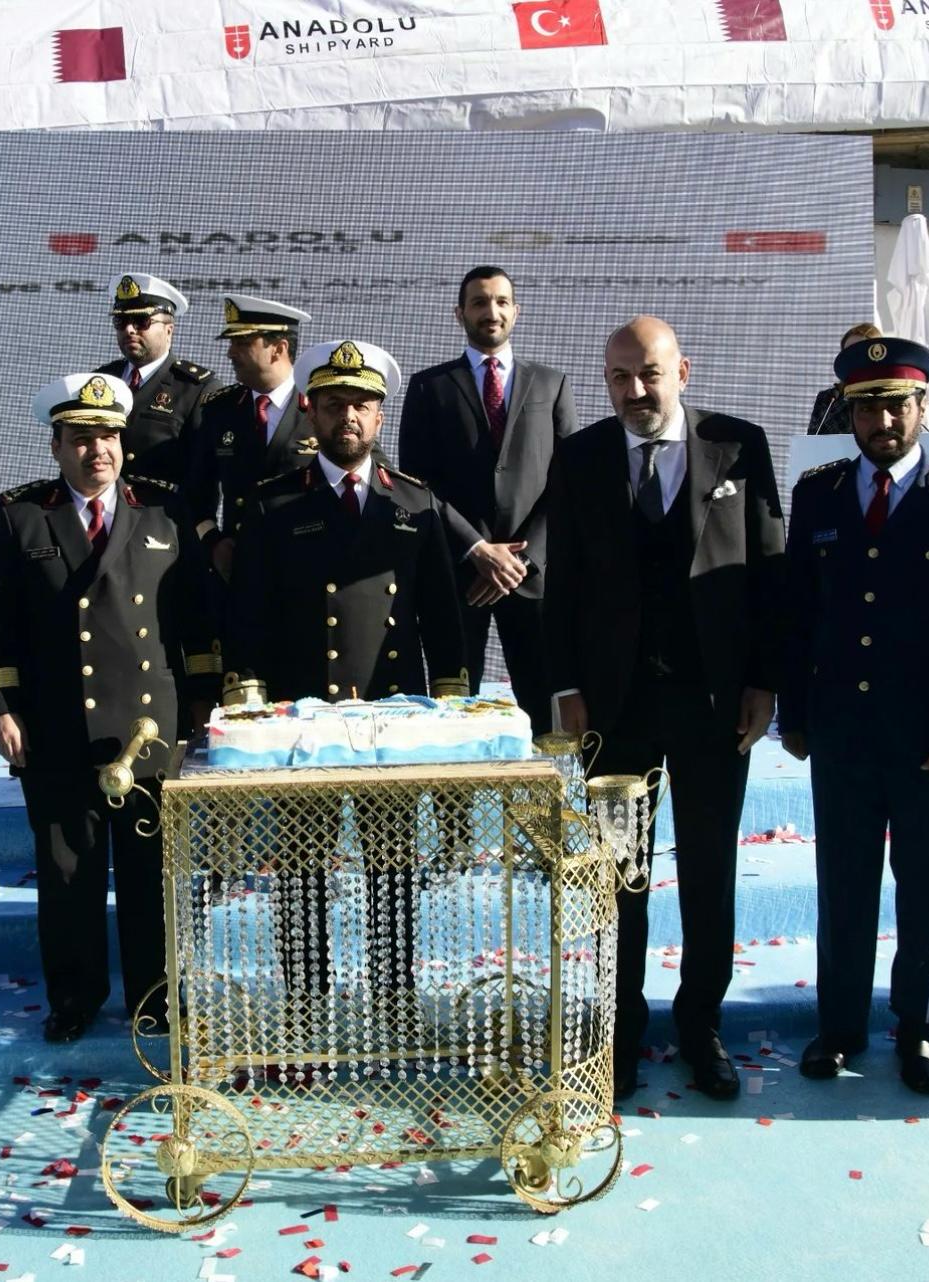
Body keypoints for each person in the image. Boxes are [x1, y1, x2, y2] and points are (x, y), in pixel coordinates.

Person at [545, 316, 786, 1102]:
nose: (635, 391)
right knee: (620, 875)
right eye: (618, 377)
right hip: (616, 709)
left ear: (684, 368)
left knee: (711, 869)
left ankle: (701, 1024)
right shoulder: (580, 456)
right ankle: (620, 1027)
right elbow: (565, 584)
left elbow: (768, 573)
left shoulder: (739, 446)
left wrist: (764, 681)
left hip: (715, 703)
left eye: (648, 373)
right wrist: (566, 688)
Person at [779, 336, 929, 1094]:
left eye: (895, 403)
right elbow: (800, 614)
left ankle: (919, 1031)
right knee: (843, 884)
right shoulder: (819, 492)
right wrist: (795, 714)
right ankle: (839, 1027)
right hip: (843, 728)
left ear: (922, 407)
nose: (881, 419)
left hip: (928, 739)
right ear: (849, 413)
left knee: (925, 889)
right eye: (866, 405)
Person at [0, 373, 221, 1043]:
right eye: (82, 439)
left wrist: (202, 700)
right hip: (57, 727)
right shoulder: (22, 516)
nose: (98, 452)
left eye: (108, 437)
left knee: (150, 877)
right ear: (56, 446)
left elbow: (197, 621)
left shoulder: (166, 512)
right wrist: (2, 709)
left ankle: (155, 999)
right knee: (68, 875)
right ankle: (75, 999)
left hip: (148, 730)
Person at [225, 340, 469, 1027]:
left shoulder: (416, 503)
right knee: (301, 873)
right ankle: (306, 1002)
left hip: (392, 719)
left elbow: (443, 622)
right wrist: (247, 705)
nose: (349, 417)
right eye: (335, 405)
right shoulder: (273, 506)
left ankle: (393, 999)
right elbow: (247, 617)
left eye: (362, 404)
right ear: (311, 412)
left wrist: (450, 708)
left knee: (391, 872)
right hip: (304, 722)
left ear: (381, 415)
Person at [399, 266, 578, 734]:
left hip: (533, 581)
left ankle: (546, 808)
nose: (491, 311)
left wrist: (523, 561)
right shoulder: (428, 387)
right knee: (451, 715)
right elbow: (416, 484)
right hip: (460, 579)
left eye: (501, 301)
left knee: (547, 716)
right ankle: (452, 811)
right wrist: (477, 550)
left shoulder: (551, 383)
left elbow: (568, 480)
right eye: (479, 302)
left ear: (516, 311)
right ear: (460, 313)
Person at [188, 294, 314, 583]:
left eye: (242, 342)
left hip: (307, 571)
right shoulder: (219, 410)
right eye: (232, 343)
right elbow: (196, 494)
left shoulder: (323, 407)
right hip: (240, 573)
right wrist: (213, 543)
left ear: (278, 348)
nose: (231, 353)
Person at [96, 272, 219, 484]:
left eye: (142, 321)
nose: (129, 329)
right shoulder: (102, 379)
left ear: (169, 330)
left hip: (160, 514)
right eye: (121, 320)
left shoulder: (197, 388)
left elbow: (204, 473)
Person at [807, 322, 882, 435]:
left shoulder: (890, 396)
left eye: (859, 352)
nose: (853, 358)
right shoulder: (828, 398)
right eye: (848, 353)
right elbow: (811, 441)